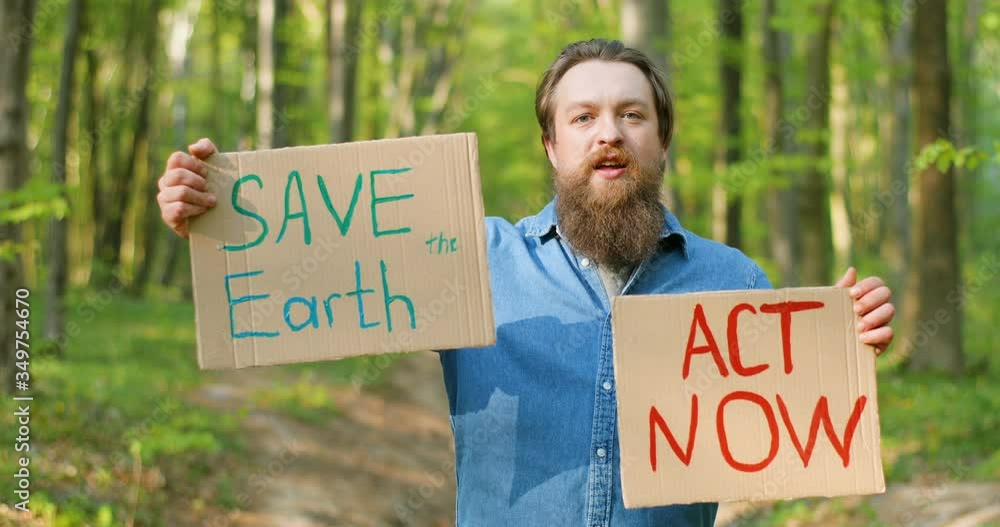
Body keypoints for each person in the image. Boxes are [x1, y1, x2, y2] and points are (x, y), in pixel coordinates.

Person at [157, 39, 895, 526]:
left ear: (662, 139)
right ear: (551, 145)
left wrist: (847, 342)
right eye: (584, 117)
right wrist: (216, 220)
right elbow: (311, 263)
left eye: (632, 115)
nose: (609, 132)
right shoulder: (470, 256)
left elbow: (792, 423)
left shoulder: (734, 280)